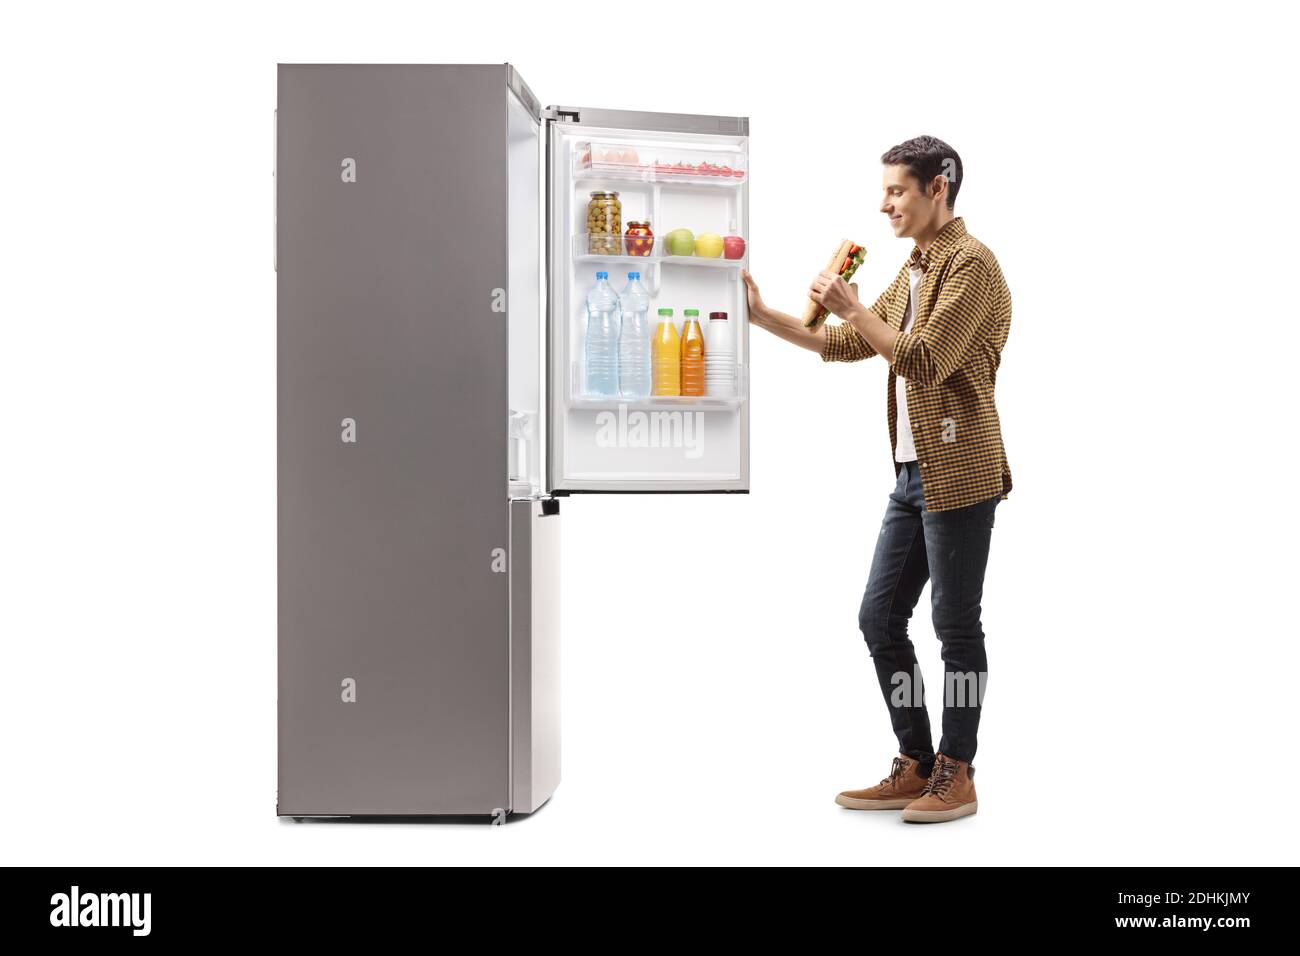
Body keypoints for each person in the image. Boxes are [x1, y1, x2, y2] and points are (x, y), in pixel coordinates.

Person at [742, 135, 1012, 824]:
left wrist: (852, 305)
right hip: (913, 473)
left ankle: (959, 770)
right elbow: (848, 343)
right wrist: (761, 314)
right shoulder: (917, 268)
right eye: (886, 190)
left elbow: (924, 359)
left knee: (955, 626)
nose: (884, 202)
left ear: (938, 189)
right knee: (879, 618)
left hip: (962, 468)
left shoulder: (970, 266)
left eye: (897, 190)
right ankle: (917, 761)